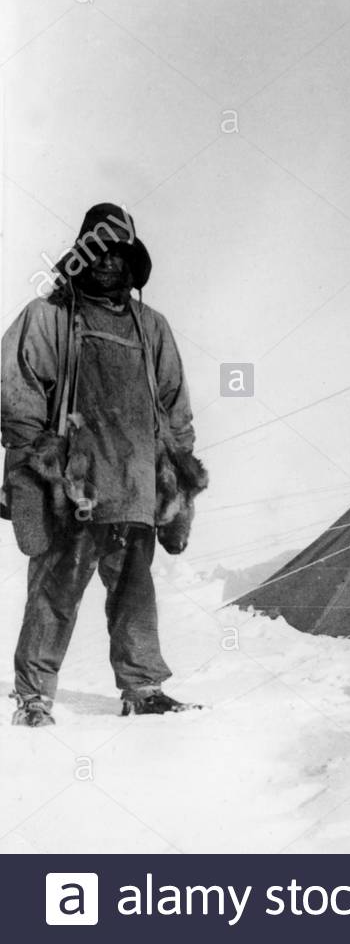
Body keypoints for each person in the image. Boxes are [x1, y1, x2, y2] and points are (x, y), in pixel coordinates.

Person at [2, 203, 206, 727]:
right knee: (55, 590)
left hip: (136, 483)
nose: (108, 263)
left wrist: (177, 477)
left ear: (131, 264)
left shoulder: (152, 327)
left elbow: (174, 403)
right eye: (99, 252)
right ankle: (34, 695)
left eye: (119, 254)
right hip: (74, 485)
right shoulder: (47, 317)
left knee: (135, 592)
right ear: (80, 257)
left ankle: (143, 688)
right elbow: (19, 392)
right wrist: (30, 469)